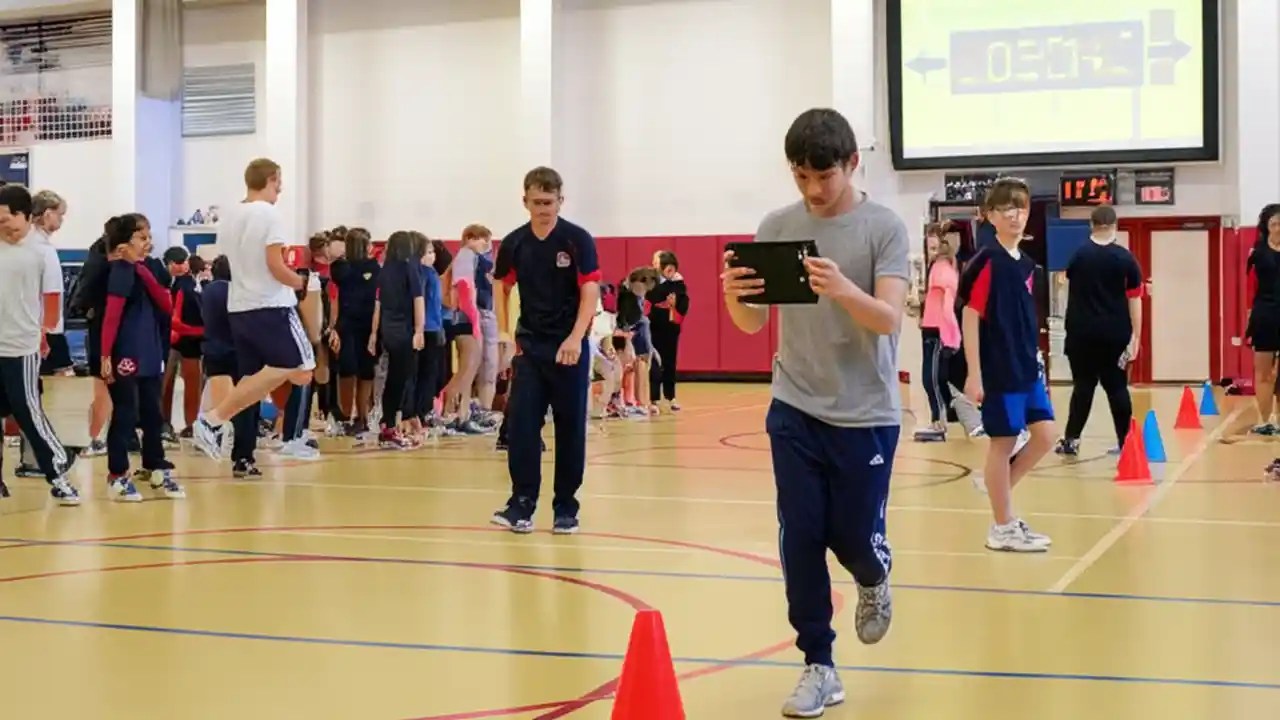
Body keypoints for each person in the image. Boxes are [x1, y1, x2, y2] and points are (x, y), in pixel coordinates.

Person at [719, 108, 908, 717]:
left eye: (823, 176)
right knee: (800, 536)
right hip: (794, 405)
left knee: (851, 535)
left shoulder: (884, 227)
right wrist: (734, 297)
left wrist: (842, 288)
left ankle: (873, 574)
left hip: (866, 413)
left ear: (852, 164)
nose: (813, 190)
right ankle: (818, 663)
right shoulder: (777, 227)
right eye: (801, 177)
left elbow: (888, 319)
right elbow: (751, 326)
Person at [491, 166, 601, 534]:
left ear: (560, 201)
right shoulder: (514, 243)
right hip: (531, 348)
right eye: (537, 202)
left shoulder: (577, 240)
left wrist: (575, 337)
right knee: (522, 426)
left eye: (549, 202)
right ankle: (521, 503)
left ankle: (565, 506)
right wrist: (505, 334)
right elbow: (500, 286)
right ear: (525, 201)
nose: (544, 209)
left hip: (569, 347)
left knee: (570, 428)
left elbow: (590, 290)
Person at [190, 158, 315, 459]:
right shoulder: (269, 215)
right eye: (279, 182)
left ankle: (215, 424)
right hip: (271, 304)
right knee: (298, 368)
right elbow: (274, 265)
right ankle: (213, 420)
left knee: (256, 376)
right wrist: (301, 282)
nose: (281, 189)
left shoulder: (232, 215)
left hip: (241, 305)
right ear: (271, 179)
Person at [957, 177, 1056, 552]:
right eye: (1007, 208)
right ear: (990, 216)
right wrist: (974, 372)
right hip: (998, 367)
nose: (1016, 215)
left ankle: (995, 488)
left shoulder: (1027, 264)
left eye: (1022, 207)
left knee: (1045, 435)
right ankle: (1002, 526)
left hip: (1026, 365)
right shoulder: (985, 262)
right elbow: (971, 315)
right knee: (1005, 440)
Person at [0, 184, 79, 505]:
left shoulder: (40, 251)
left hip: (21, 346)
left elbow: (51, 298)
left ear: (24, 216)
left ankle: (58, 472)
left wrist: (45, 332)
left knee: (27, 412)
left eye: (6, 219)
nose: (3, 225)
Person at [99, 214, 185, 501]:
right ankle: (117, 474)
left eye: (149, 237)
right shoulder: (120, 271)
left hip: (149, 352)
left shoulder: (148, 269)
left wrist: (142, 269)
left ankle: (155, 467)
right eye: (141, 237)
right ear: (125, 242)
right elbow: (111, 315)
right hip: (125, 352)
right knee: (125, 413)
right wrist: (105, 355)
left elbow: (165, 302)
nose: (148, 243)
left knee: (153, 414)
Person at [1056, 205, 1144, 456]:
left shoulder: (1079, 256)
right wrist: (1135, 336)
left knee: (1082, 387)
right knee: (1117, 388)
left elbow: (1065, 287)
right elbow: (1134, 299)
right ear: (1115, 226)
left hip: (1081, 334)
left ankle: (1072, 440)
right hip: (1114, 335)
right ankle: (1126, 442)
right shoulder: (1126, 259)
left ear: (1091, 225)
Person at [369, 230, 425, 448]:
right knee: (401, 379)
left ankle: (390, 423)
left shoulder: (384, 271)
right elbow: (418, 300)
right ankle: (390, 424)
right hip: (405, 330)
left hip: (388, 330)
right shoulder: (411, 269)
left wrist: (374, 334)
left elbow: (378, 306)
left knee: (393, 377)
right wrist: (419, 330)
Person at [914, 223, 961, 442]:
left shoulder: (944, 271)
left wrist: (951, 334)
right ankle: (940, 417)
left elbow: (947, 307)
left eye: (933, 247)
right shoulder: (937, 269)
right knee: (931, 378)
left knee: (931, 378)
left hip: (937, 328)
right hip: (930, 326)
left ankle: (939, 420)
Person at [1245, 203, 1280, 436]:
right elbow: (1250, 289)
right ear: (1266, 227)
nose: (1278, 228)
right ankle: (1266, 421)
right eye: (1274, 224)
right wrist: (1249, 320)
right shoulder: (1256, 253)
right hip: (1265, 316)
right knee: (1264, 374)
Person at [647, 250, 688, 412]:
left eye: (673, 269)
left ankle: (671, 396)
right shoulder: (652, 280)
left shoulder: (679, 283)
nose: (655, 264)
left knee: (670, 361)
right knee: (655, 363)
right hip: (654, 325)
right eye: (656, 262)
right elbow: (652, 297)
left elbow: (683, 301)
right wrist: (665, 296)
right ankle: (654, 399)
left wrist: (674, 304)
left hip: (671, 326)